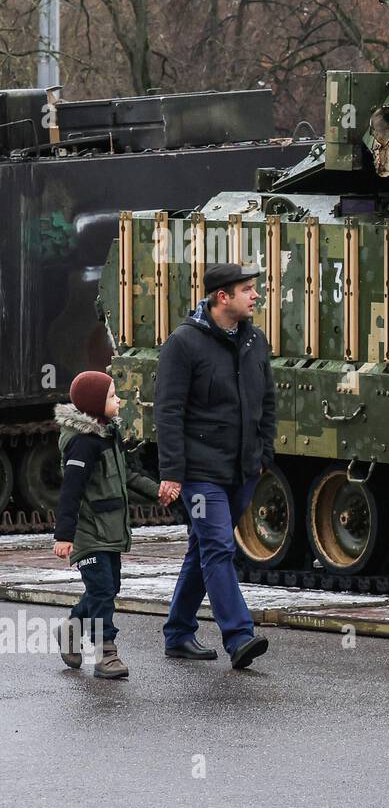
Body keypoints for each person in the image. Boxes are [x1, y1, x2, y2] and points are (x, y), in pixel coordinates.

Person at [154, 262, 274, 670]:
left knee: (203, 548)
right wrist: (172, 472)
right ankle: (239, 635)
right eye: (247, 289)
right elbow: (167, 412)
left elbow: (267, 404)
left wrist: (263, 456)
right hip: (201, 474)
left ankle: (178, 633)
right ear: (222, 297)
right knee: (220, 547)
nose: (255, 295)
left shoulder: (255, 340)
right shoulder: (183, 344)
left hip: (242, 470)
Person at [52, 372, 164, 678]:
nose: (119, 401)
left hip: (109, 528)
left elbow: (125, 474)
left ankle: (70, 629)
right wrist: (63, 535)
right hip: (88, 532)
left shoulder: (107, 433)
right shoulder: (83, 444)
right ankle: (106, 654)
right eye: (113, 396)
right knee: (102, 591)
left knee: (109, 587)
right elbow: (71, 492)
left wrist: (157, 491)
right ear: (94, 404)